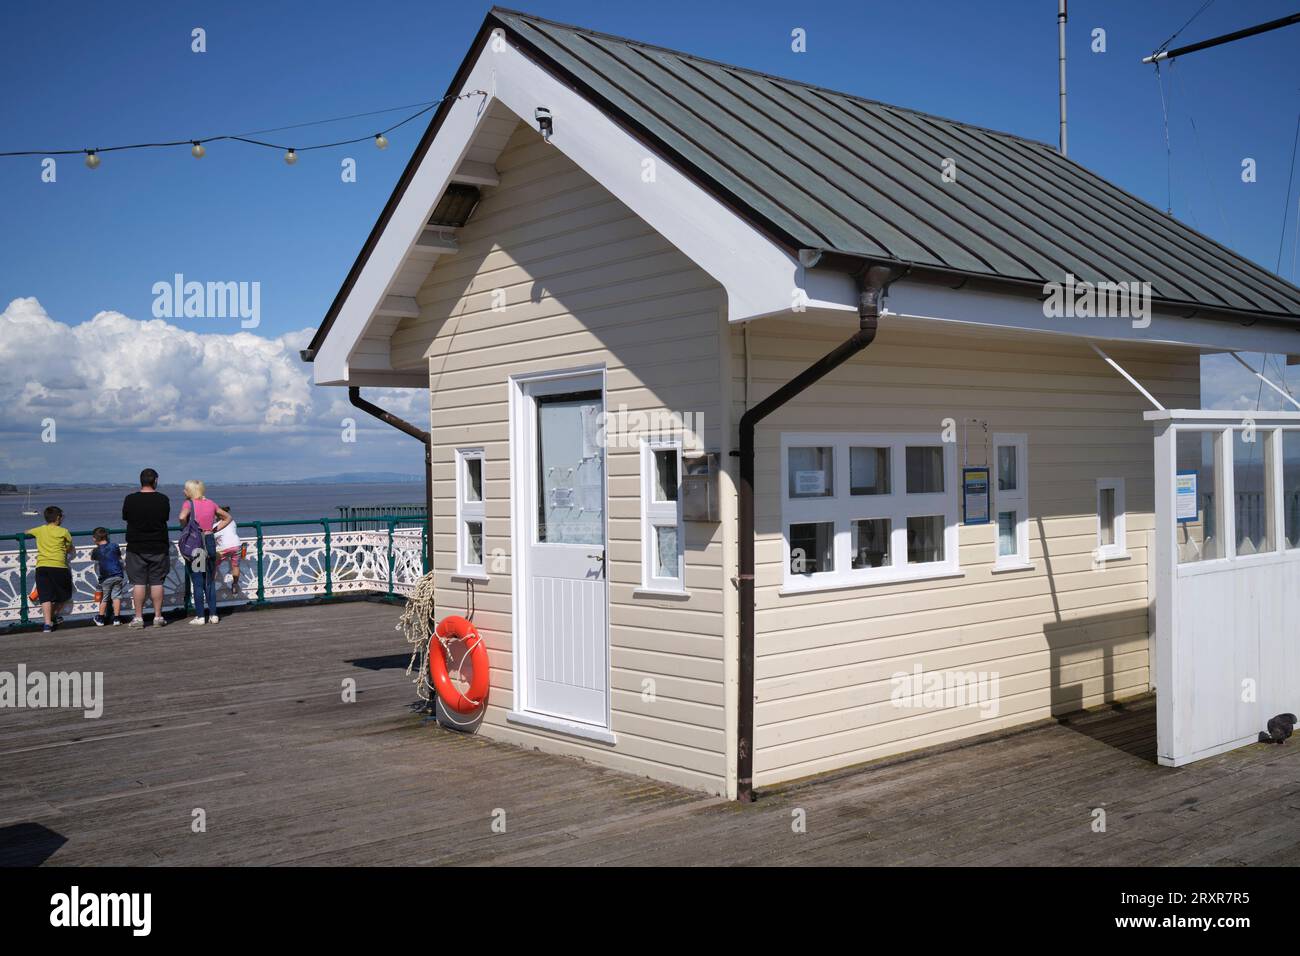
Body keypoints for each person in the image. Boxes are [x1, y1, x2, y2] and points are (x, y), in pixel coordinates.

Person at [122, 468, 171, 628]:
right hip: (158, 545)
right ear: (155, 480)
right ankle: (157, 617)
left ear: (140, 480)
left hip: (136, 546)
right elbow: (165, 517)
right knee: (157, 582)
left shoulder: (130, 499)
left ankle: (138, 618)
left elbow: (126, 517)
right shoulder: (163, 499)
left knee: (139, 583)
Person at [178, 480, 230, 625]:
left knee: (198, 581)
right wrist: (213, 530)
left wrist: (186, 528)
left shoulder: (189, 504)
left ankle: (200, 616)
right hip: (210, 542)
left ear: (191, 491)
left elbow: (182, 517)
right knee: (210, 580)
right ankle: (213, 615)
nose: (184, 491)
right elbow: (228, 517)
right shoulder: (211, 503)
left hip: (197, 545)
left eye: (185, 489)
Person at [26, 505, 75, 633]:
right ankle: (54, 616)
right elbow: (69, 547)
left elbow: (26, 532)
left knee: (45, 596)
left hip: (42, 566)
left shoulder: (39, 530)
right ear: (58, 518)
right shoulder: (64, 531)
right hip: (59, 566)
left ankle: (47, 624)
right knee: (65, 594)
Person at [90, 527, 125, 627]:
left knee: (104, 598)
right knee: (116, 597)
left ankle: (100, 618)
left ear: (94, 539)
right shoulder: (115, 546)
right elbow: (118, 556)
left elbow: (94, 559)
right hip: (118, 575)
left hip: (106, 577)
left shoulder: (96, 551)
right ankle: (117, 618)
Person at [213, 505, 242, 595]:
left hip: (224, 548)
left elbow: (213, 537)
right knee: (235, 566)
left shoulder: (215, 526)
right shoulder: (232, 522)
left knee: (213, 565)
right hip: (237, 545)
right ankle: (235, 584)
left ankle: (210, 585)